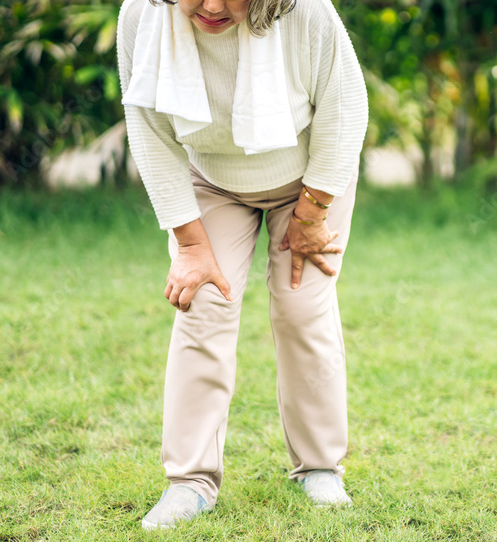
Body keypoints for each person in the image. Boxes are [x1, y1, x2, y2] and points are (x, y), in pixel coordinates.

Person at [115, 0, 368, 530]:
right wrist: (188, 243)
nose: (210, 7)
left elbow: (344, 109)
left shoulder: (308, 14)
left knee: (302, 309)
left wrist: (313, 211)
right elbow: (148, 128)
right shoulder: (141, 14)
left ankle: (320, 467)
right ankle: (190, 483)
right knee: (202, 305)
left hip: (310, 179)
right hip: (211, 182)